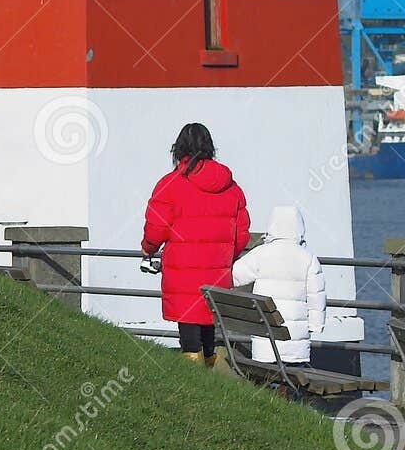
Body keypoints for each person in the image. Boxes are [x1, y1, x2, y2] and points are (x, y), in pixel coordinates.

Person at [140, 122, 251, 367]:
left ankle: (193, 371)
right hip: (217, 269)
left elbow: (156, 227)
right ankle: (211, 365)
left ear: (178, 149)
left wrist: (148, 248)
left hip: (182, 268)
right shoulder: (232, 187)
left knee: (189, 322)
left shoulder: (169, 184)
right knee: (209, 316)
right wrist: (224, 256)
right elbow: (242, 233)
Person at [231, 206, 327, 365]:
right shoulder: (308, 258)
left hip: (265, 344)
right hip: (295, 343)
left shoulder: (260, 254)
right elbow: (316, 296)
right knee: (293, 372)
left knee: (268, 368)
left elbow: (234, 277)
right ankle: (284, 389)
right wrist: (316, 325)